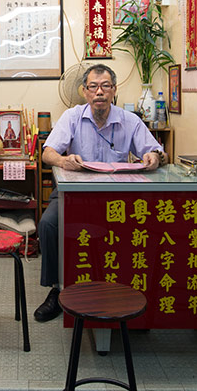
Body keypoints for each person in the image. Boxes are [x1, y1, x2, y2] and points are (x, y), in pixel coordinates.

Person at [34, 64, 166, 322]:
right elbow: (47, 153)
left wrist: (154, 157)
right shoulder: (72, 117)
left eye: (105, 86)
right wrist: (64, 161)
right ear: (84, 91)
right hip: (73, 196)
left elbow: (158, 152)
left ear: (114, 90)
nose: (99, 92)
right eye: (93, 86)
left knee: (146, 225)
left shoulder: (130, 120)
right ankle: (56, 288)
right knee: (49, 224)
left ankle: (134, 291)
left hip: (118, 198)